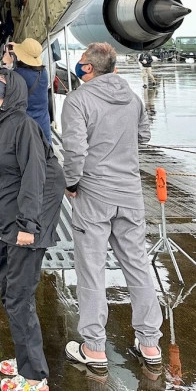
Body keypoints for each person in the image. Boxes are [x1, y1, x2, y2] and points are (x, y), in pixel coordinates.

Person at [62, 42, 163, 372]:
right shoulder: (132, 98)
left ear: (89, 68)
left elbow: (74, 150)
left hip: (93, 195)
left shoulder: (78, 100)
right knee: (138, 265)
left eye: (81, 60)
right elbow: (143, 137)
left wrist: (71, 182)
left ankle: (94, 348)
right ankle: (150, 343)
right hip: (130, 194)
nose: (78, 64)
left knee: (91, 269)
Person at [0, 67, 65, 391]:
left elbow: (34, 176)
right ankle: (25, 357)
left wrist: (29, 226)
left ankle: (34, 377)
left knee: (19, 296)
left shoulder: (24, 126)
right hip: (7, 218)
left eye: (1, 82)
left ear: (12, 89)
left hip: (26, 221)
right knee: (7, 287)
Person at [8, 38, 52, 144]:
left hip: (26, 124)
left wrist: (8, 64)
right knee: (44, 150)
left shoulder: (18, 74)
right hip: (43, 123)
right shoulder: (43, 72)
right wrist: (19, 48)